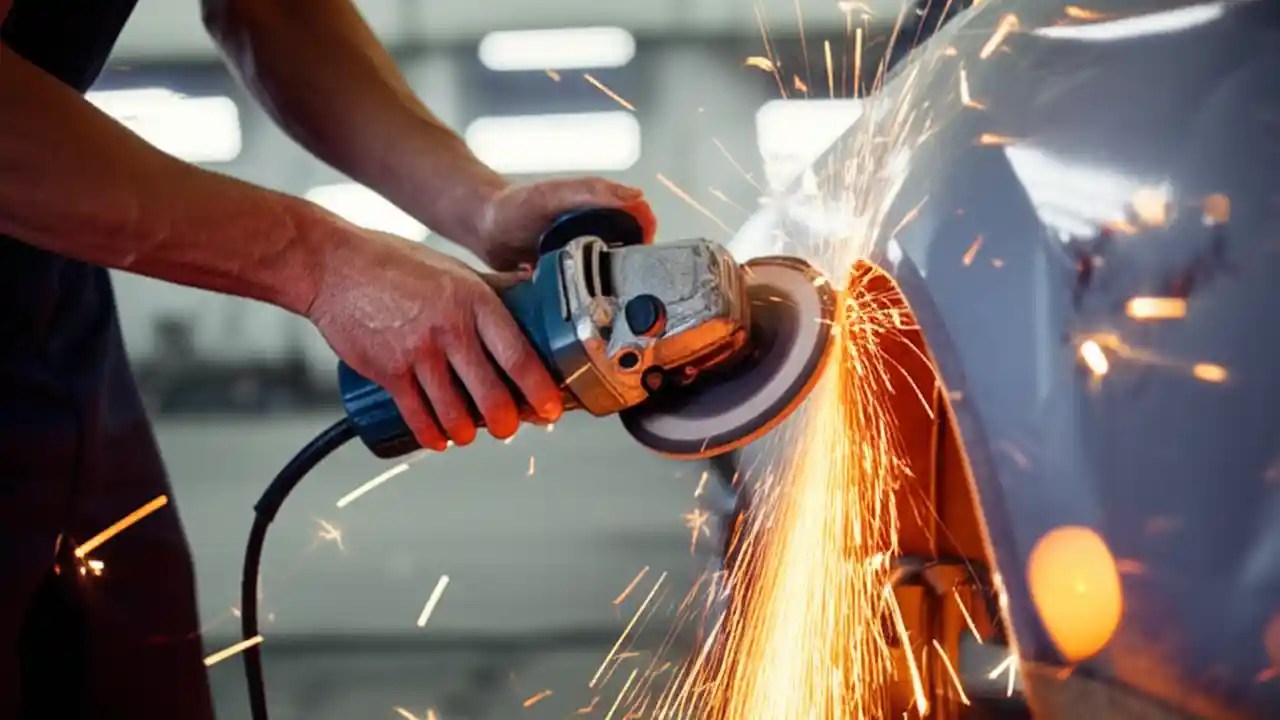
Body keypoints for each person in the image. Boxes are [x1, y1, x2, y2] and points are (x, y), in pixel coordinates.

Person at [0, 0, 656, 715]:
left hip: (54, 301)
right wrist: (319, 262)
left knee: (131, 667)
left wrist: (480, 204)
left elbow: (274, 10)